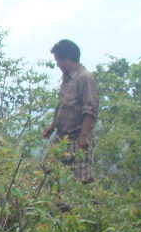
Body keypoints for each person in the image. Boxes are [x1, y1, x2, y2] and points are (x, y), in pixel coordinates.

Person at [42, 39, 99, 183]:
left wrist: (84, 136)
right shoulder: (67, 79)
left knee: (84, 179)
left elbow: (90, 109)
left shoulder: (85, 78)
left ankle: (91, 205)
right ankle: (58, 204)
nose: (57, 65)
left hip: (77, 137)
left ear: (67, 58)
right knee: (47, 171)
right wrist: (52, 126)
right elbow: (64, 106)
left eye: (58, 61)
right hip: (61, 137)